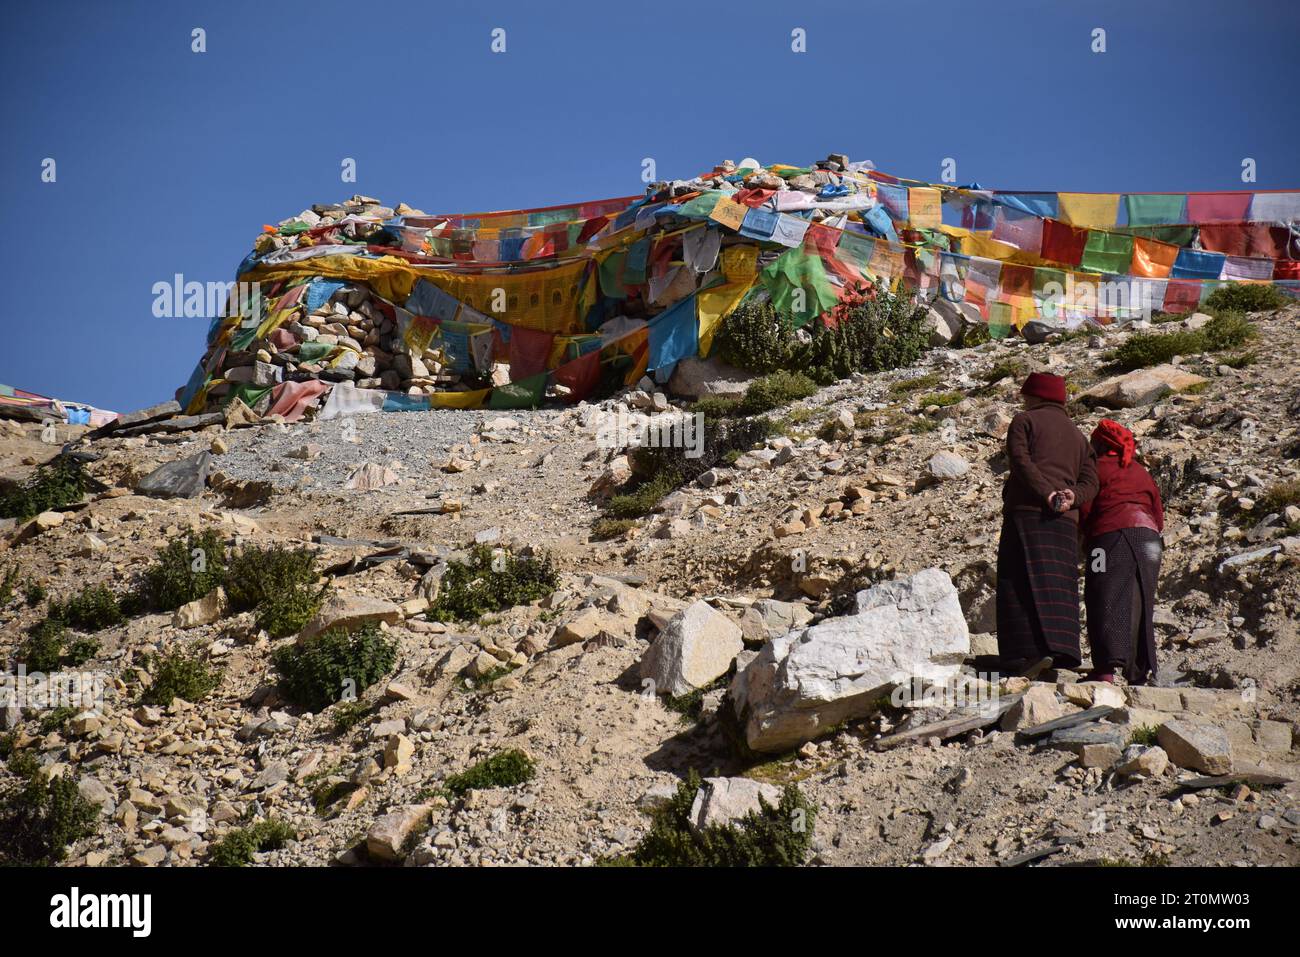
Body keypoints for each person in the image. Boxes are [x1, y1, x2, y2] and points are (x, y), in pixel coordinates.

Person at [997, 372, 1098, 678]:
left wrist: (1047, 492)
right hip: (1065, 520)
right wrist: (1072, 496)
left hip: (1027, 511)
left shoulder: (1024, 421)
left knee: (1017, 580)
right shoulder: (1079, 436)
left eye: (1026, 395)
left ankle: (1022, 655)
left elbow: (1020, 460)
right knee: (1057, 583)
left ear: (1036, 396)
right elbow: (1091, 480)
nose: (1023, 400)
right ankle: (1062, 651)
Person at [1079, 419, 1165, 685]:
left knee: (1102, 592)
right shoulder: (1138, 470)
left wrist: (1080, 537)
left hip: (1109, 536)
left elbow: (1084, 507)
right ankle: (1138, 671)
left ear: (1100, 443)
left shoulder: (1094, 467)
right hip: (1149, 539)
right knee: (1140, 599)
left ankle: (1106, 668)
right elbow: (1157, 512)